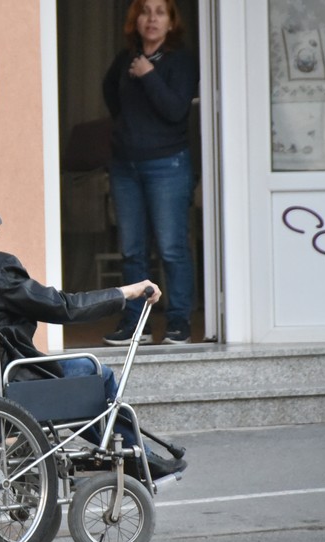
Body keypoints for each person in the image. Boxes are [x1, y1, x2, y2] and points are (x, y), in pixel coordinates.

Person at [0, 197, 187, 479]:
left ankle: (129, 454)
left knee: (82, 375)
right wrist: (126, 292)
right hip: (10, 389)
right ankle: (138, 458)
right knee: (93, 372)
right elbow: (64, 307)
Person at [101, 0, 199, 345]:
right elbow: (110, 92)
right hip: (126, 165)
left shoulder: (180, 61)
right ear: (136, 20)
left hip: (167, 164)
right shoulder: (125, 58)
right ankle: (136, 324)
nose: (152, 18)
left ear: (171, 23)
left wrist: (149, 76)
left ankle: (178, 322)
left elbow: (175, 110)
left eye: (161, 12)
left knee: (172, 248)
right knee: (133, 251)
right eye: (145, 11)